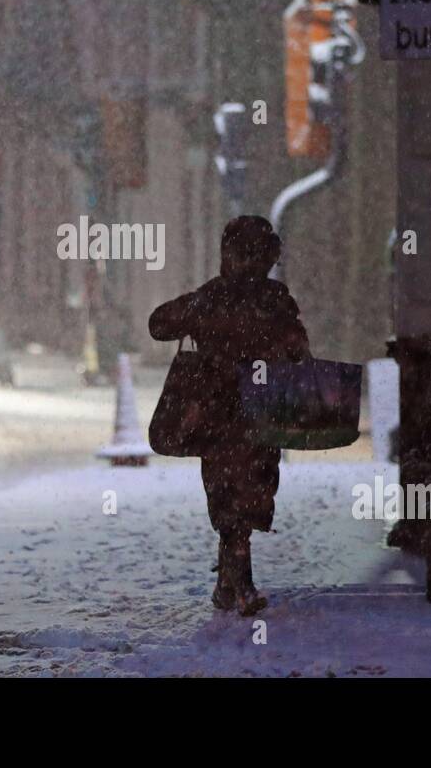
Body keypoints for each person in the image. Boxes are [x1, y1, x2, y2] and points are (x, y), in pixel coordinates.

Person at [148, 215, 310, 614]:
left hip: (214, 414)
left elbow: (159, 324)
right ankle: (238, 583)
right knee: (251, 491)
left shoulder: (211, 298)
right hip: (260, 412)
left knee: (225, 494)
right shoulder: (276, 301)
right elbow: (298, 350)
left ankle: (232, 581)